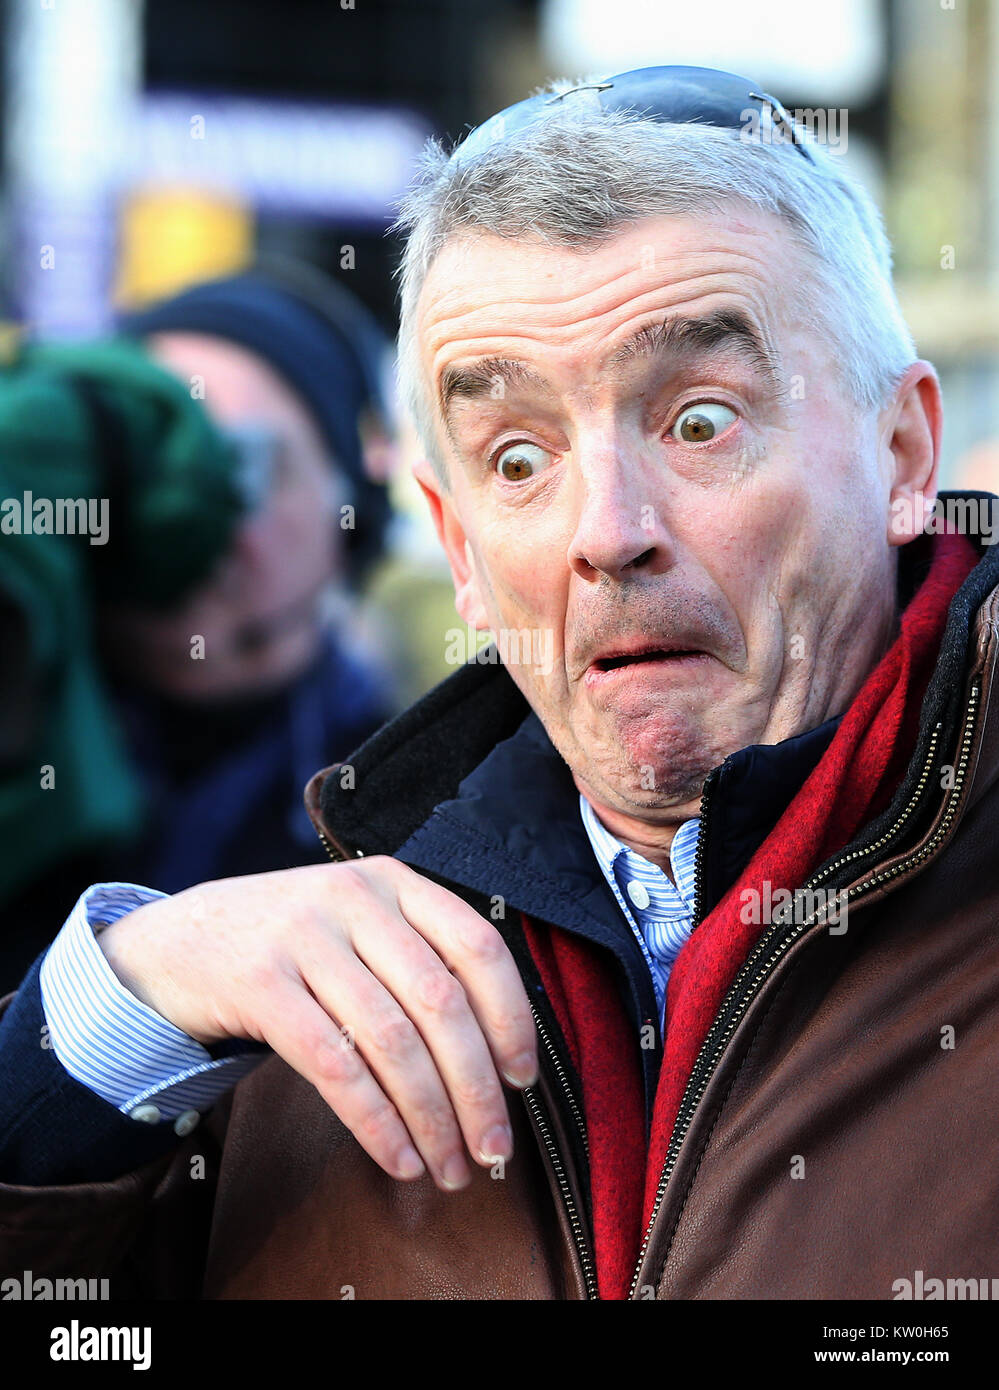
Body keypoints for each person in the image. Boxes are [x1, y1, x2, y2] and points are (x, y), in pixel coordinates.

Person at [1, 65, 998, 1301]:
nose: (608, 530)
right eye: (517, 457)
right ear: (460, 549)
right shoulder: (271, 1037)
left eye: (699, 421)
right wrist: (113, 1010)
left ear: (904, 455)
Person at [0, 264, 397, 990]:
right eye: (151, 467)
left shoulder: (414, 795)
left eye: (240, 465)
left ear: (348, 514)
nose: (189, 511)